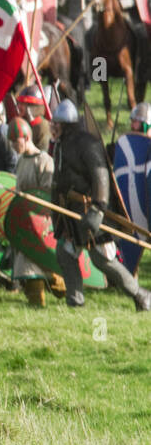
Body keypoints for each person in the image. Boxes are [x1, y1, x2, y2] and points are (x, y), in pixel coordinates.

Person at [51, 99, 151, 311]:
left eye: (57, 123)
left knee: (102, 259)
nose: (53, 127)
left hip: (93, 210)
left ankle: (140, 295)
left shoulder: (86, 144)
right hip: (72, 213)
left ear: (67, 124)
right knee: (66, 253)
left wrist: (98, 209)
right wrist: (55, 214)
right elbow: (57, 182)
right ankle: (75, 302)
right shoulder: (60, 145)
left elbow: (101, 176)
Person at [9, 117, 65, 306]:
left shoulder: (44, 161)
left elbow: (49, 196)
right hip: (25, 223)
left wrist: (31, 198)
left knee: (41, 262)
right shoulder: (21, 162)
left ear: (26, 138)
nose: (13, 146)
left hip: (41, 223)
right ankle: (37, 302)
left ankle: (62, 286)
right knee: (28, 264)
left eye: (15, 142)